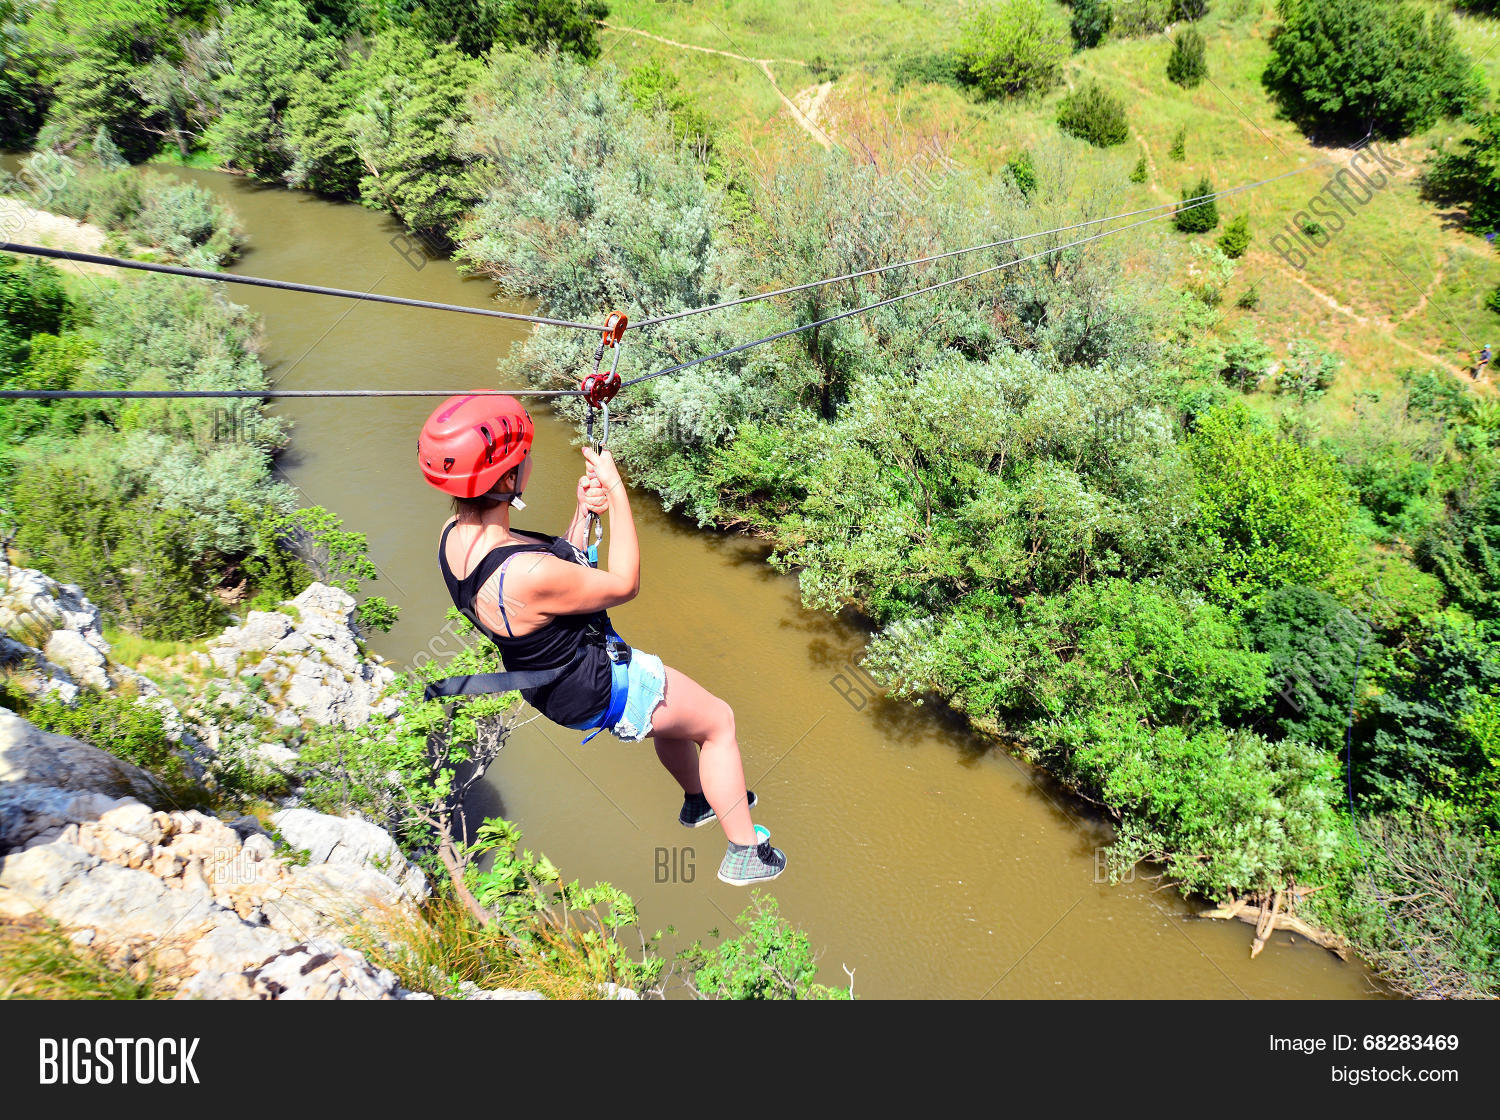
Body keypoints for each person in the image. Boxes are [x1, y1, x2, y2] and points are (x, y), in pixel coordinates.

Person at [418, 394, 786, 885]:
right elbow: (623, 584)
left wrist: (583, 512)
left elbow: (556, 573)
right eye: (524, 458)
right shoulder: (525, 573)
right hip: (598, 684)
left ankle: (700, 799)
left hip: (552, 686)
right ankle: (745, 853)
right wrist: (616, 491)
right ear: (507, 481)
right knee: (719, 721)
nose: (530, 463)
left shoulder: (453, 535)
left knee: (678, 719)